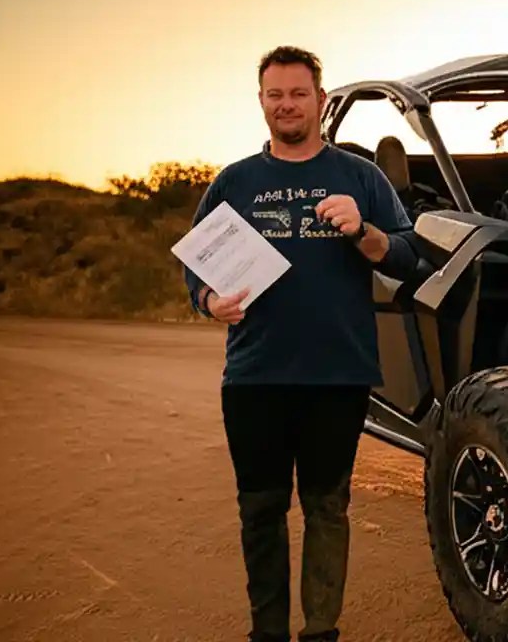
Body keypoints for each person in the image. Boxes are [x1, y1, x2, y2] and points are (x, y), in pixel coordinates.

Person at [183, 45, 421, 642]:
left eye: (297, 93)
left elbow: (407, 256)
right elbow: (197, 266)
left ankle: (320, 631)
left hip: (337, 375)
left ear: (320, 99)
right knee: (261, 510)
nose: (286, 105)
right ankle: (267, 632)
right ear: (261, 101)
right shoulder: (235, 181)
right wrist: (209, 301)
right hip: (255, 376)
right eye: (275, 95)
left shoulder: (359, 177)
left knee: (327, 508)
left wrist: (362, 230)